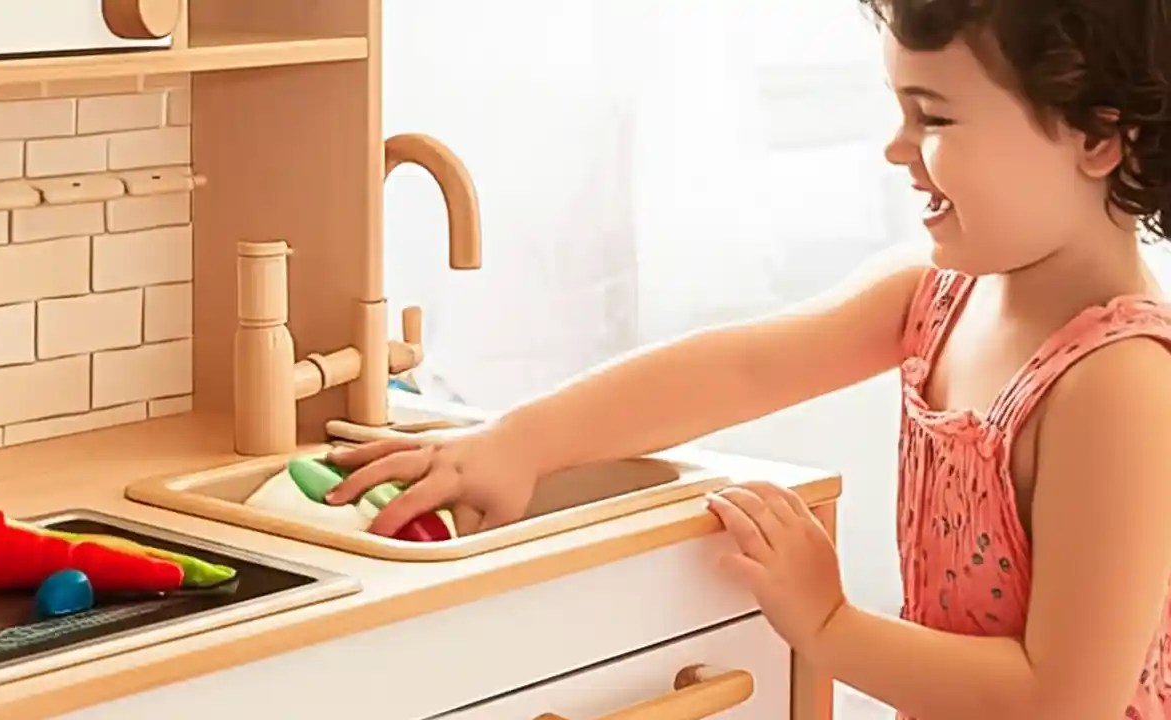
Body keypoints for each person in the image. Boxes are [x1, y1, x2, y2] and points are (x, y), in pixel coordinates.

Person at [325, 1, 1171, 716]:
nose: (897, 146)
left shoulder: (1118, 384)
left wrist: (830, 625)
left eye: (935, 117)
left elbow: (1064, 700)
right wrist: (522, 442)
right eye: (900, 107)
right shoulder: (938, 298)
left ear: (1097, 137)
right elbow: (742, 369)